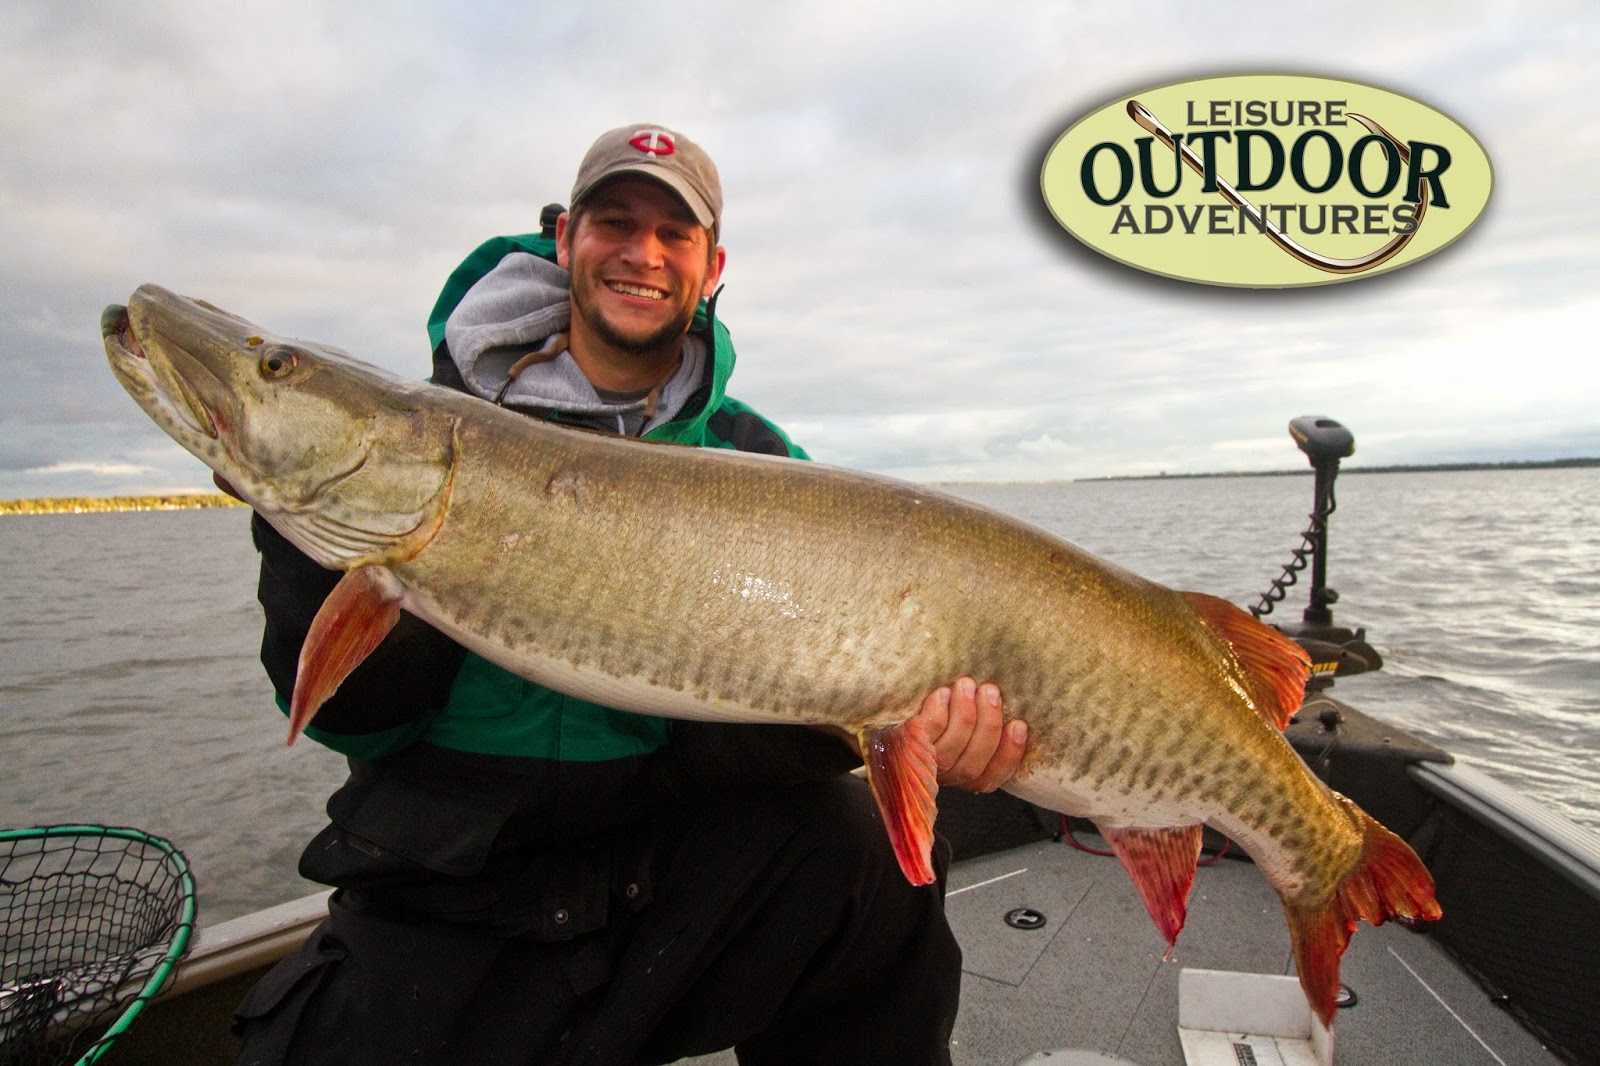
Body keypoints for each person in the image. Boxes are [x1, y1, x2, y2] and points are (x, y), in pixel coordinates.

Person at [233, 124, 1027, 1066]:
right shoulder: (425, 432)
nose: (642, 254)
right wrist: (312, 543)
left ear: (711, 263)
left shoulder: (758, 462)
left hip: (662, 878)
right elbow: (355, 720)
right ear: (566, 239)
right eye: (615, 222)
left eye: (673, 234)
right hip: (455, 890)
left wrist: (899, 725)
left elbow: (746, 752)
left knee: (867, 858)